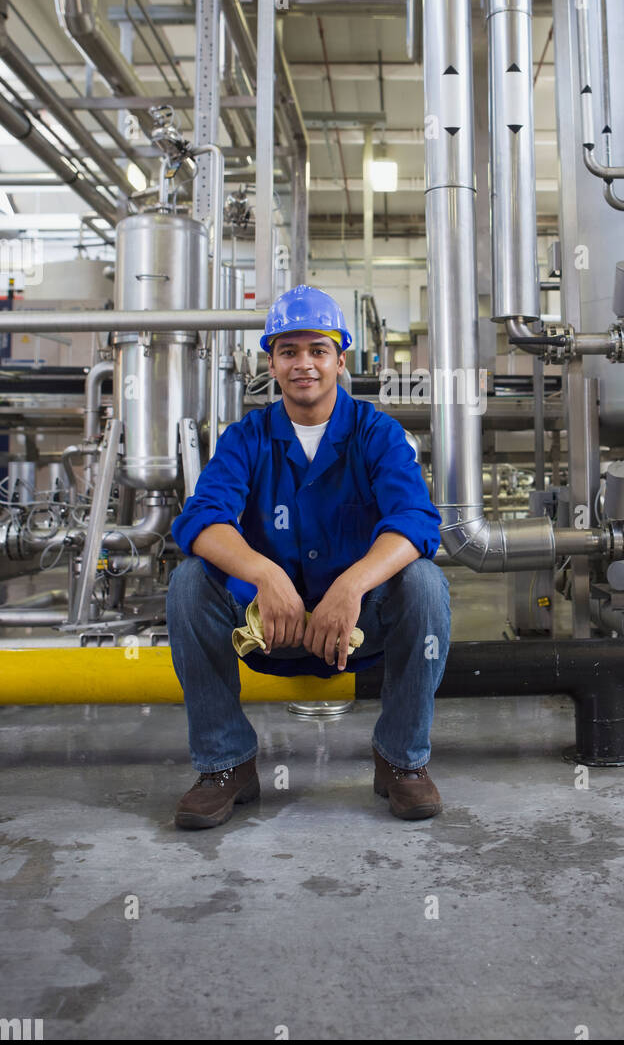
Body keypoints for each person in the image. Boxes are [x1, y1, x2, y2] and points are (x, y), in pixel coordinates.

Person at [166, 284, 450, 829]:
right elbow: (200, 521)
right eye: (289, 352)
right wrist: (264, 575)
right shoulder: (245, 439)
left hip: (358, 627)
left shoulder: (377, 434)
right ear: (270, 362)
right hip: (265, 625)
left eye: (317, 351)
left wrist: (351, 587)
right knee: (187, 583)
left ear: (339, 360)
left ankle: (400, 762)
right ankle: (226, 765)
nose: (304, 365)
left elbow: (415, 523)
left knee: (425, 583)